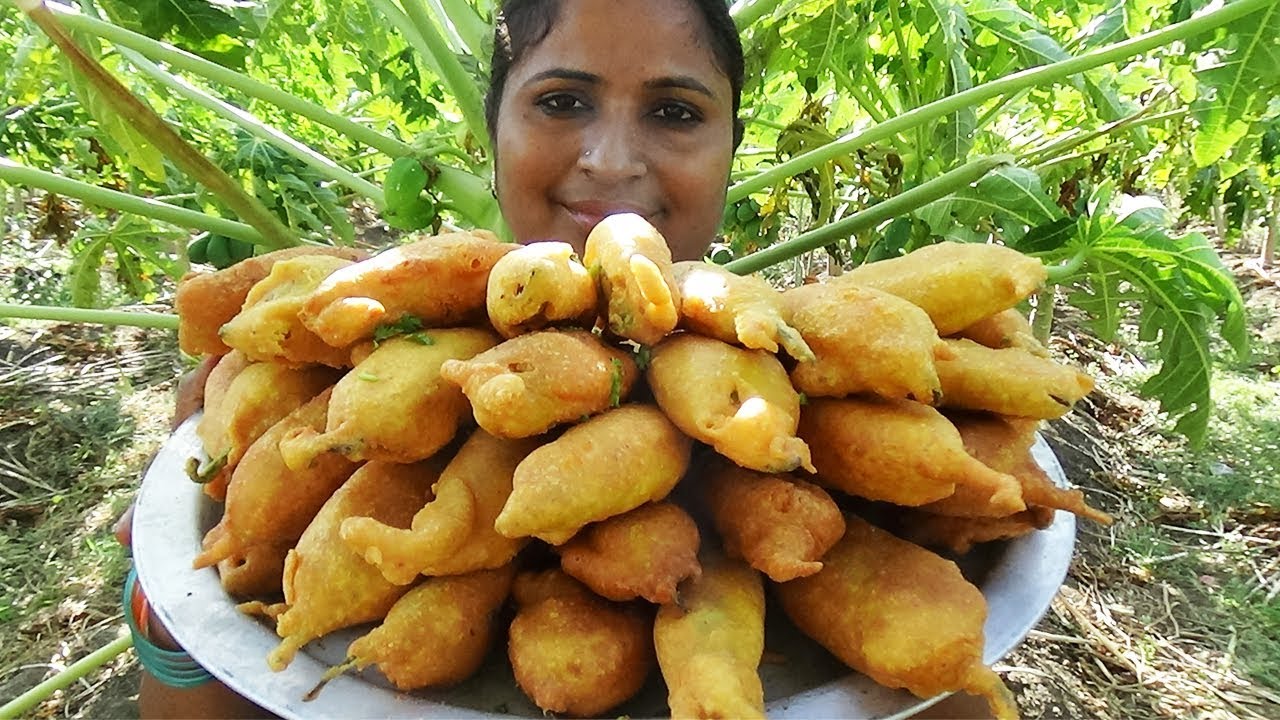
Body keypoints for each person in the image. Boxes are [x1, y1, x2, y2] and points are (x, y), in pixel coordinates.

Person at [115, 0, 747, 717]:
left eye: (675, 113)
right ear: (492, 129)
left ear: (733, 143)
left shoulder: (764, 353)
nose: (611, 159)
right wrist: (167, 599)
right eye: (562, 101)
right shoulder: (349, 337)